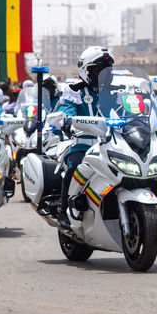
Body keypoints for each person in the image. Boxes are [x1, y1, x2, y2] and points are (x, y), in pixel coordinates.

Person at [56, 46, 115, 229]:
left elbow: (130, 111)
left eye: (107, 70)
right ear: (86, 71)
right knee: (75, 166)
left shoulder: (116, 93)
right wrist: (67, 121)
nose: (104, 75)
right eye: (99, 70)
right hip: (83, 144)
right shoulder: (75, 90)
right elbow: (66, 110)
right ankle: (64, 209)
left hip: (112, 145)